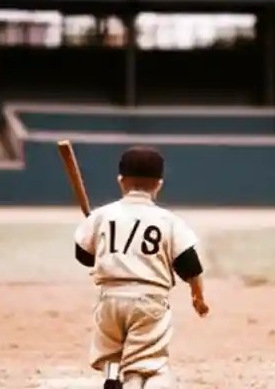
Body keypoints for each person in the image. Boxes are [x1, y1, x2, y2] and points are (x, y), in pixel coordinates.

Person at [74, 146, 209, 389]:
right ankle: (134, 381)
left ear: (120, 181)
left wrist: (100, 244)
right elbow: (190, 264)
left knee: (111, 348)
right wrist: (197, 295)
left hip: (110, 299)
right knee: (147, 360)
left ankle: (112, 377)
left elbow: (83, 255)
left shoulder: (102, 215)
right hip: (150, 300)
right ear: (159, 184)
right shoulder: (169, 220)